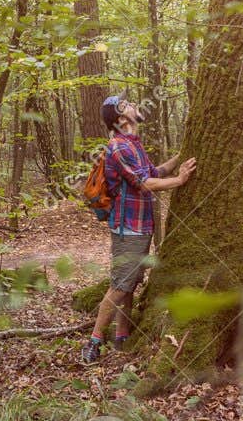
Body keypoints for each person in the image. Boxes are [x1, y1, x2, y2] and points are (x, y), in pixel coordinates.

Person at [81, 93, 196, 363]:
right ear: (121, 118)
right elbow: (143, 183)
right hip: (128, 227)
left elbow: (154, 173)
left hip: (141, 225)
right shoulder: (119, 146)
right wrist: (179, 181)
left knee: (130, 283)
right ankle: (94, 342)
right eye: (128, 105)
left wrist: (180, 157)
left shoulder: (134, 144)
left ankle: (122, 336)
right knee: (121, 285)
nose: (134, 105)